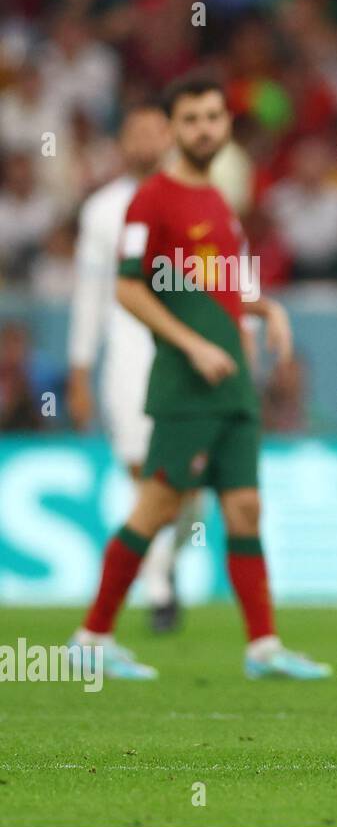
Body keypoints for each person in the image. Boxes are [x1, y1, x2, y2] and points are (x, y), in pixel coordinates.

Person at [70, 74, 329, 681]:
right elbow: (129, 287)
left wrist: (268, 309)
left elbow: (227, 289)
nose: (204, 128)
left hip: (232, 381)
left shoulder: (216, 202)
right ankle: (91, 636)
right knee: (156, 506)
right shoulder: (151, 199)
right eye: (191, 119)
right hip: (187, 384)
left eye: (214, 117)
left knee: (244, 508)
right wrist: (190, 344)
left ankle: (263, 647)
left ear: (226, 126)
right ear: (172, 129)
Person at [66, 102, 192, 633]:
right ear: (123, 141)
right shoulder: (101, 209)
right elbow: (90, 295)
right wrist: (79, 370)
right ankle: (158, 588)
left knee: (192, 494)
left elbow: (230, 282)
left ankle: (161, 568)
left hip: (188, 359)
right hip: (127, 359)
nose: (145, 141)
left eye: (154, 131)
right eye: (135, 131)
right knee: (145, 475)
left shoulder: (197, 200)